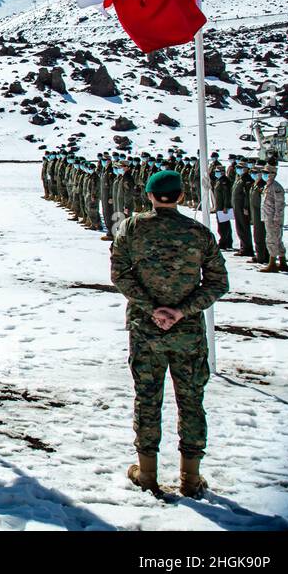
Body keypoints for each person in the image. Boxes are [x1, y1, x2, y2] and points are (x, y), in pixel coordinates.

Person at [110, 169, 227, 498]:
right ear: (179, 196)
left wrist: (151, 308)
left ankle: (146, 473)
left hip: (146, 331)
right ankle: (191, 478)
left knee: (148, 399)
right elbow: (218, 282)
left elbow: (120, 273)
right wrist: (182, 311)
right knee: (191, 402)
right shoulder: (198, 232)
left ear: (149, 196)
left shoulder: (133, 228)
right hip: (187, 333)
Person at [260, 162, 287, 273]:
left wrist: (277, 219)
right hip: (268, 216)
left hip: (273, 219)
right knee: (277, 240)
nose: (264, 174)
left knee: (272, 240)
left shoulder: (276, 187)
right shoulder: (268, 186)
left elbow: (279, 204)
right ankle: (282, 262)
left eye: (266, 173)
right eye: (263, 172)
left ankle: (272, 263)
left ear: (273, 174)